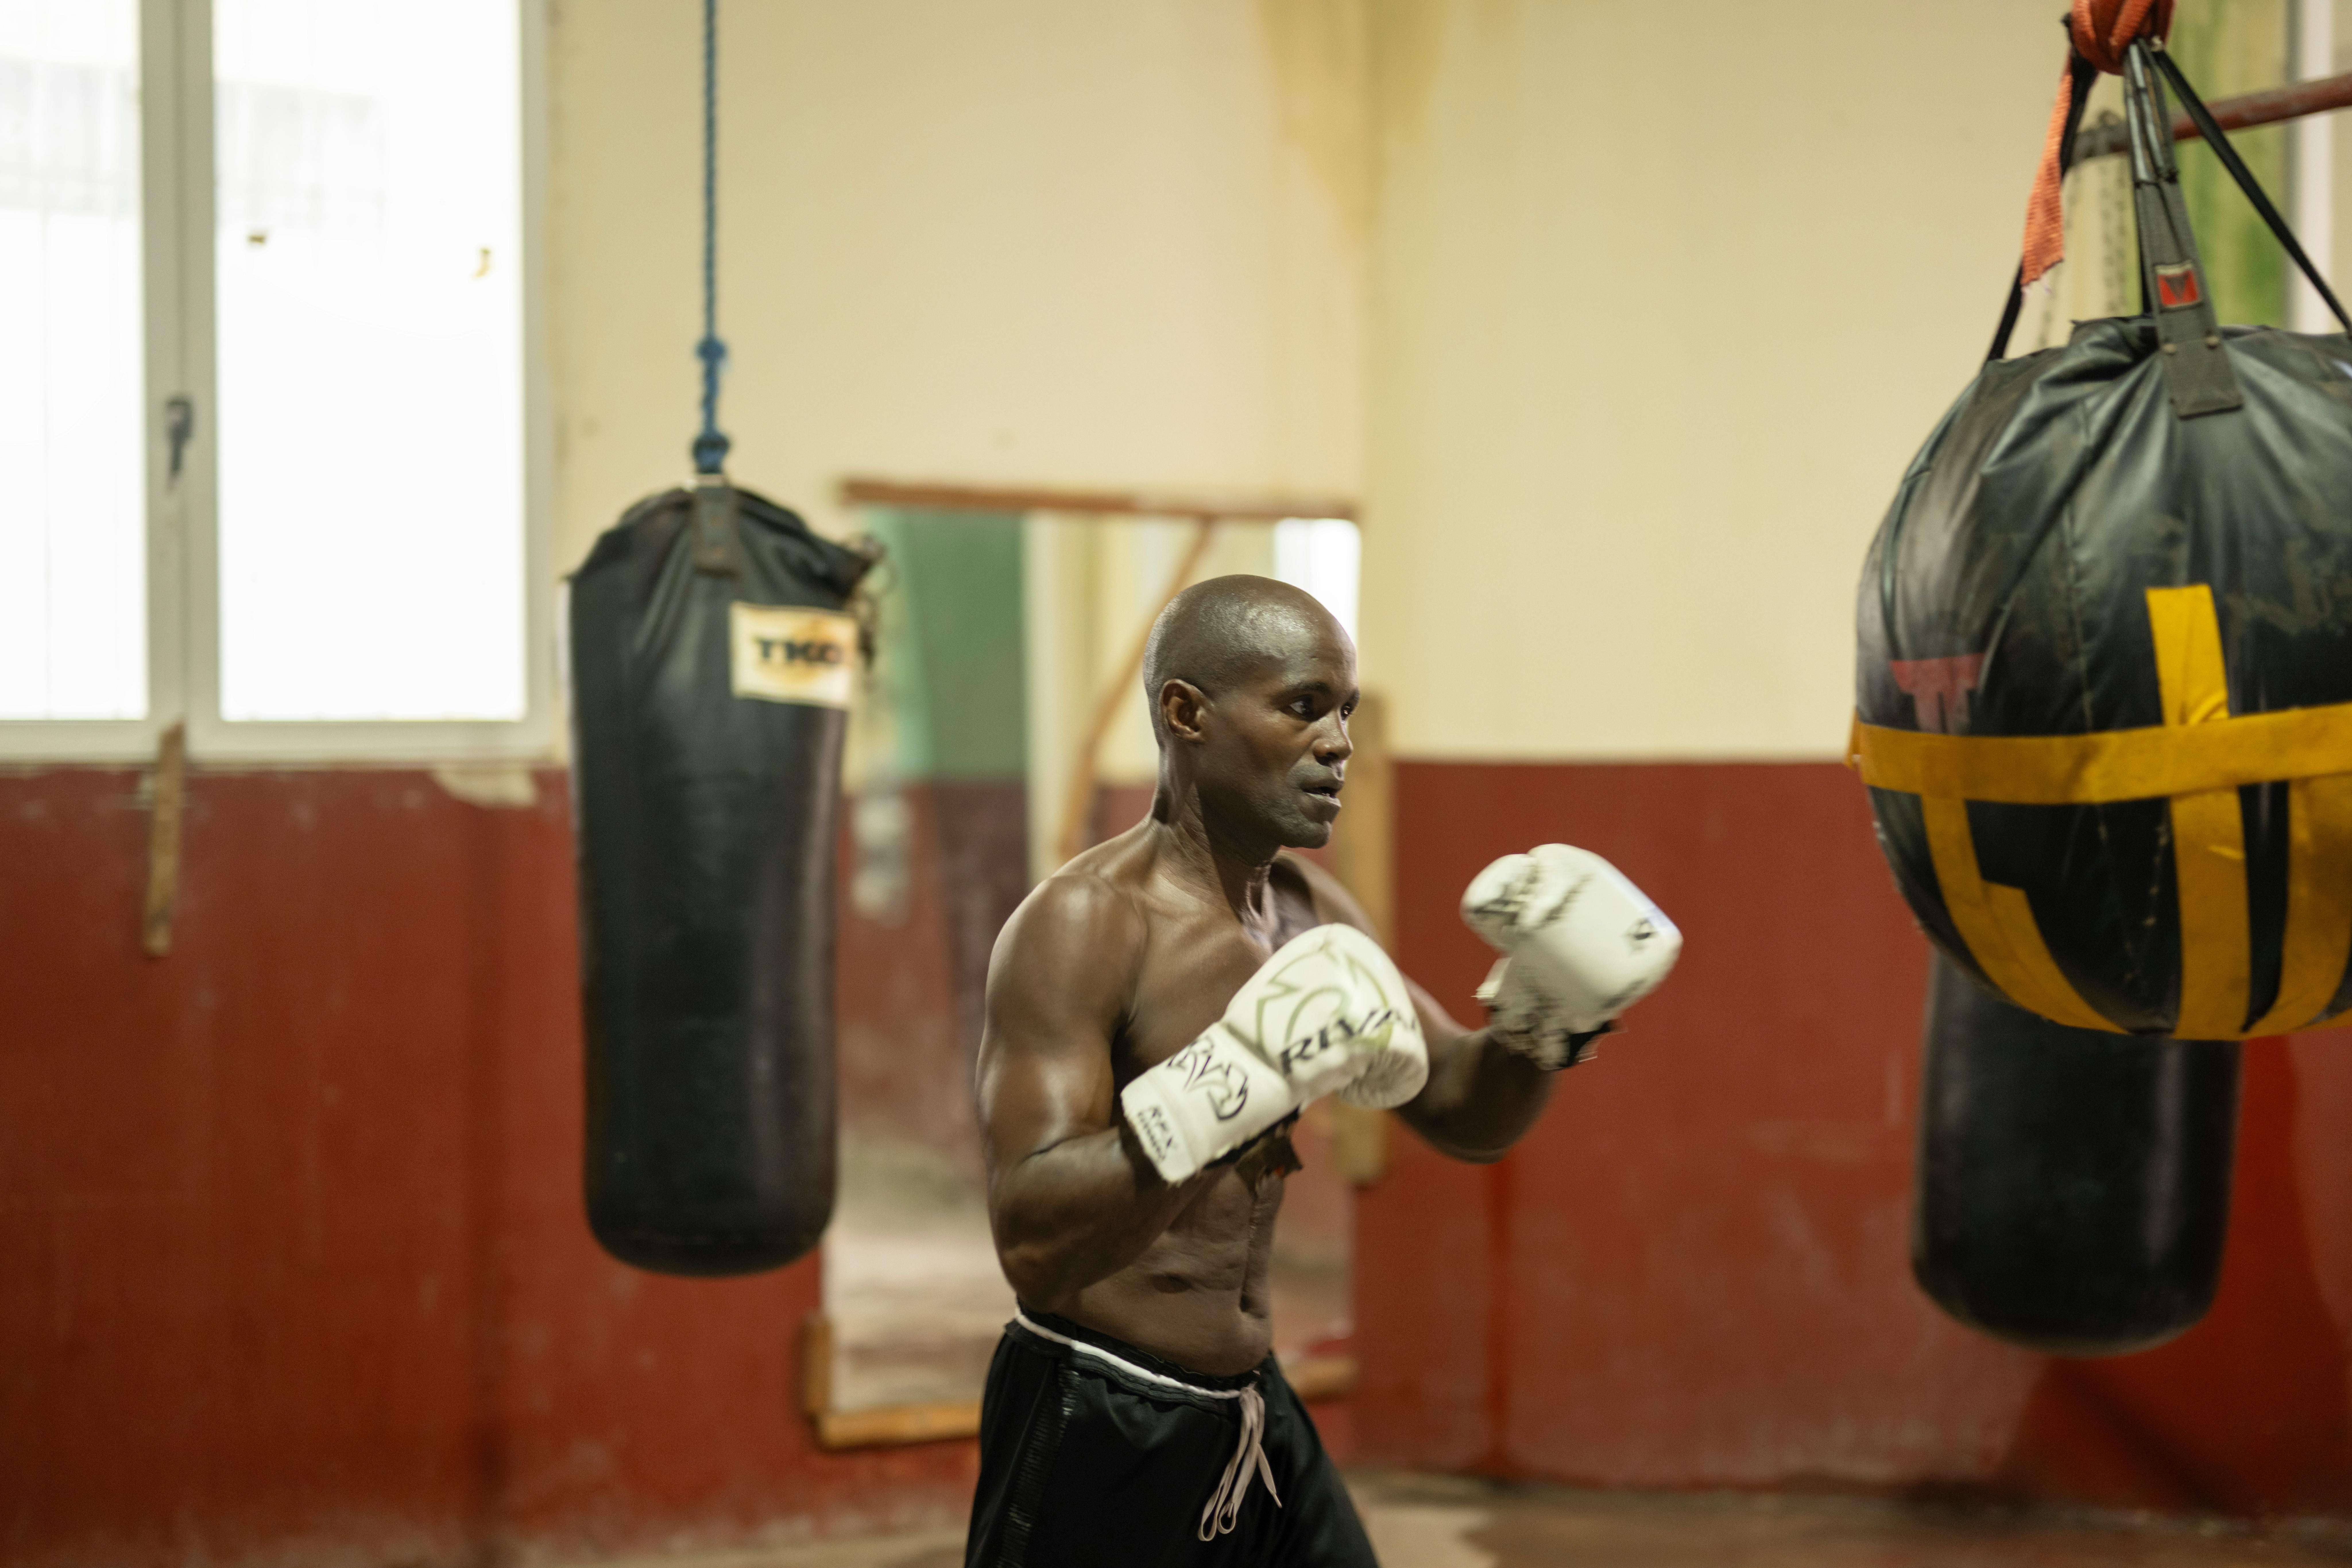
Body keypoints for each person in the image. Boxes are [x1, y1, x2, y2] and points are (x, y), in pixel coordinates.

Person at [965, 575, 1676, 1568]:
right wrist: (1236, 1083)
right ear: (1187, 713)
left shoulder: (1311, 913)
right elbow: (1036, 1241)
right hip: (1101, 1407)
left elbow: (1466, 1107)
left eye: (1343, 710)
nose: (1340, 742)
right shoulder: (1087, 924)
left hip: (1252, 1407)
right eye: (1304, 707)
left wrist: (1544, 1015)